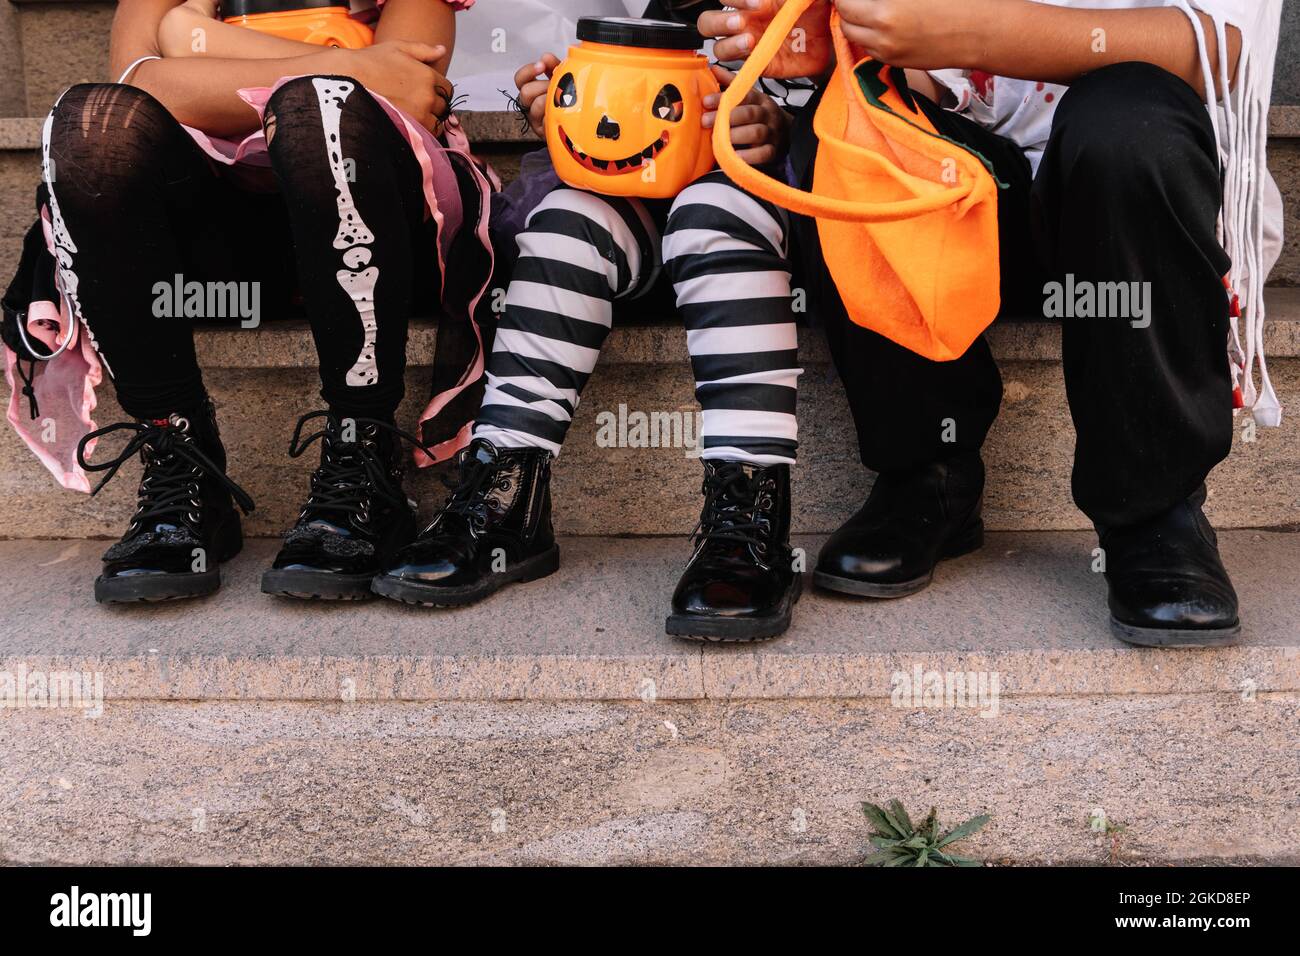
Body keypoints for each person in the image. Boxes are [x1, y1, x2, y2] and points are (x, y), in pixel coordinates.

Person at [700, 0, 1284, 646]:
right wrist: (844, 43)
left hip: (1131, 197)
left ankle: (1158, 514)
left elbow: (1215, 49)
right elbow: (935, 76)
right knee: (848, 116)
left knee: (1130, 119)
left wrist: (967, 29)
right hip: (976, 182)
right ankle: (927, 469)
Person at [1, 0, 496, 603]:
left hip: (371, 244)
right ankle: (181, 459)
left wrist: (196, 45)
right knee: (91, 121)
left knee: (322, 110)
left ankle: (362, 455)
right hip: (222, 270)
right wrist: (354, 64)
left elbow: (413, 94)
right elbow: (139, 85)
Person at [369, 4, 809, 641]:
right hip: (624, 195)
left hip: (759, 208)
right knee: (568, 223)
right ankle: (506, 493)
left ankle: (750, 510)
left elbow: (899, 82)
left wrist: (783, 123)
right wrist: (557, 103)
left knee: (713, 213)